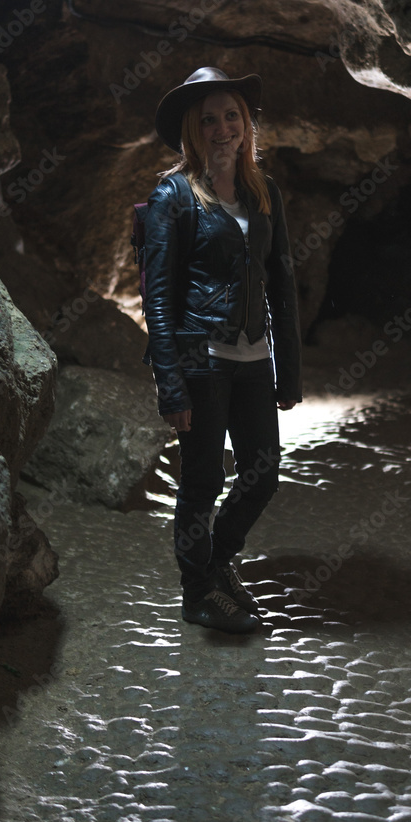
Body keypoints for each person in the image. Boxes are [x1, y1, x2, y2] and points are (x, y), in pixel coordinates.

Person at [144, 66, 302, 634]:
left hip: (255, 360)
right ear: (193, 128)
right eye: (208, 119)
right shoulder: (174, 194)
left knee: (262, 475)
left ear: (245, 124)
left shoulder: (264, 191)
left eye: (231, 116)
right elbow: (157, 297)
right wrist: (171, 383)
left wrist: (291, 375)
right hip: (200, 361)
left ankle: (216, 563)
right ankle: (197, 594)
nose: (221, 128)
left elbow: (281, 284)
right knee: (203, 480)